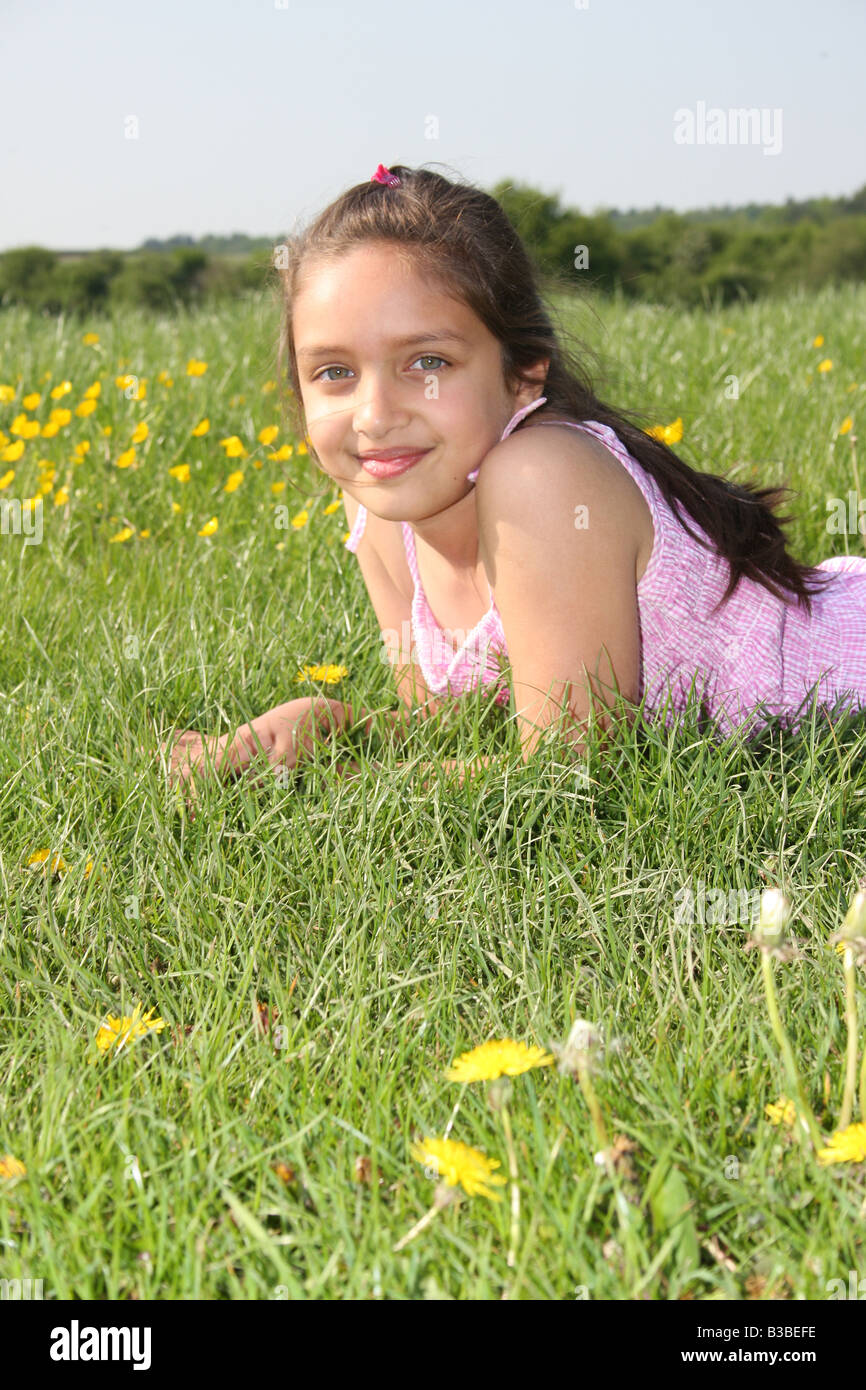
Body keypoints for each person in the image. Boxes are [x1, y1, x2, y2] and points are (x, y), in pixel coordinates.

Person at [162, 161, 866, 804]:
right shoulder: (377, 514)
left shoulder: (544, 479)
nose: (374, 416)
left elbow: (572, 765)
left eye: (428, 362)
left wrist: (329, 785)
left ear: (523, 370)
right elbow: (456, 723)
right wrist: (327, 722)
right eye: (334, 372)